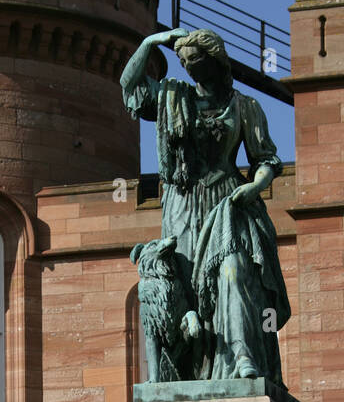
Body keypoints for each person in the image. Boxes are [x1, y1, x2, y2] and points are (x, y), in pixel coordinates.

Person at [120, 26, 290, 383]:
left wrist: (255, 187)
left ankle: (242, 356)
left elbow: (267, 159)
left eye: (194, 59)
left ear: (215, 59)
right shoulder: (171, 96)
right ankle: (187, 374)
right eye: (183, 61)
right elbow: (129, 87)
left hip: (228, 203)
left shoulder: (245, 106)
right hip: (181, 205)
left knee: (234, 271)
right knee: (186, 291)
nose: (188, 66)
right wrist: (149, 42)